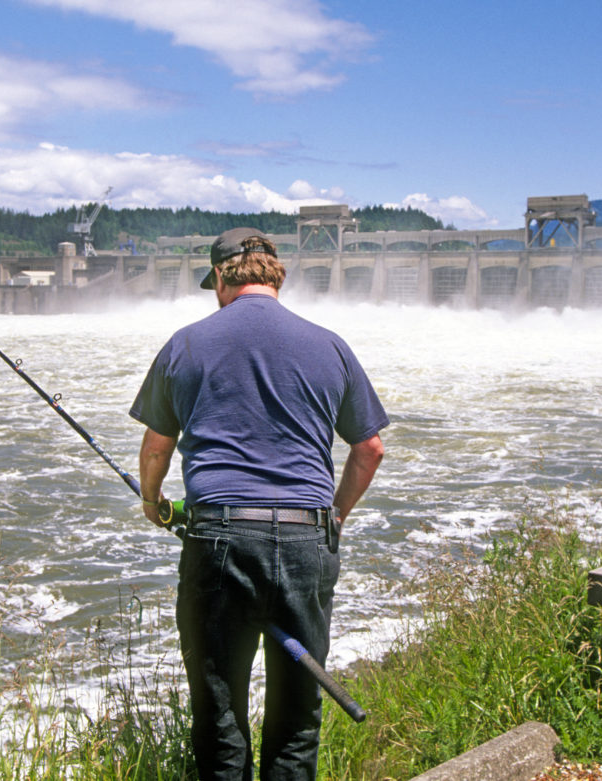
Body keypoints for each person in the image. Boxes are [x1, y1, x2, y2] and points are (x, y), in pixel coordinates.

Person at [129, 227, 388, 780]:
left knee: (221, 714)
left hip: (220, 542)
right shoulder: (330, 345)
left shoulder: (187, 344)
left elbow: (156, 448)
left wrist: (152, 503)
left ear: (222, 276)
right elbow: (369, 449)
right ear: (277, 274)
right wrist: (334, 516)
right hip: (307, 539)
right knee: (298, 715)